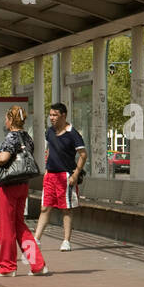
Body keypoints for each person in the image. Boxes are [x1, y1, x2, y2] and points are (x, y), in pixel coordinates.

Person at [0, 105, 48, 277]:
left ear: (11, 120)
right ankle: (38, 265)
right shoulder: (27, 137)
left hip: (9, 186)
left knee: (6, 227)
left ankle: (8, 266)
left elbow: (4, 158)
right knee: (20, 225)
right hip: (23, 185)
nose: (5, 122)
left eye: (6, 119)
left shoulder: (11, 137)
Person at [34, 103, 87, 253]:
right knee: (45, 207)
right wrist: (46, 169)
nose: (51, 118)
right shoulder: (50, 132)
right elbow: (49, 150)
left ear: (63, 115)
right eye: (50, 115)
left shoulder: (73, 134)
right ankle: (36, 239)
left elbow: (83, 155)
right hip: (50, 175)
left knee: (66, 209)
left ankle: (66, 241)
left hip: (65, 176)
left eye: (54, 115)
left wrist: (76, 174)